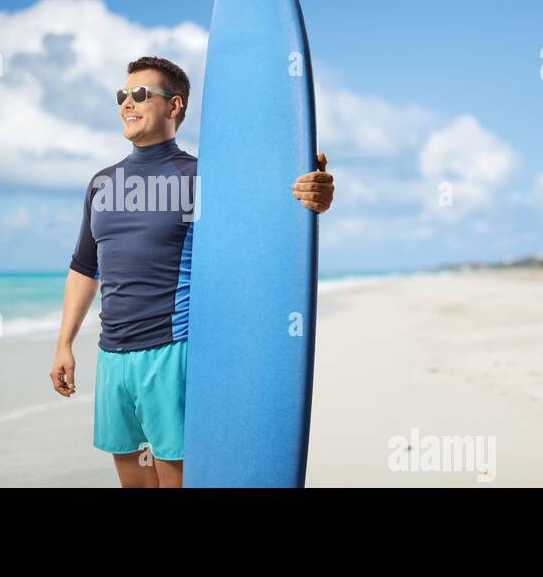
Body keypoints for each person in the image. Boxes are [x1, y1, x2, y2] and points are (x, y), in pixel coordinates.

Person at [49, 56, 334, 487]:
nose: (128, 102)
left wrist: (314, 191)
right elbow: (84, 269)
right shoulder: (101, 184)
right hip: (113, 358)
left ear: (174, 105)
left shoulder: (202, 177)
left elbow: (274, 209)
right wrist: (64, 343)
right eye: (122, 95)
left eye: (140, 94)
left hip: (172, 353)